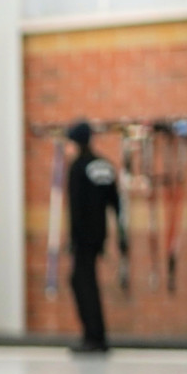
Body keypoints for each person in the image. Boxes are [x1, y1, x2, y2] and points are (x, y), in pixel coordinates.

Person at [65, 121, 128, 354]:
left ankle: (93, 336)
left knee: (83, 283)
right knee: (85, 281)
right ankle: (95, 334)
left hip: (82, 236)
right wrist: (119, 235)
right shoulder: (104, 166)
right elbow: (116, 203)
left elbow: (75, 208)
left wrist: (73, 239)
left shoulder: (78, 167)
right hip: (98, 234)